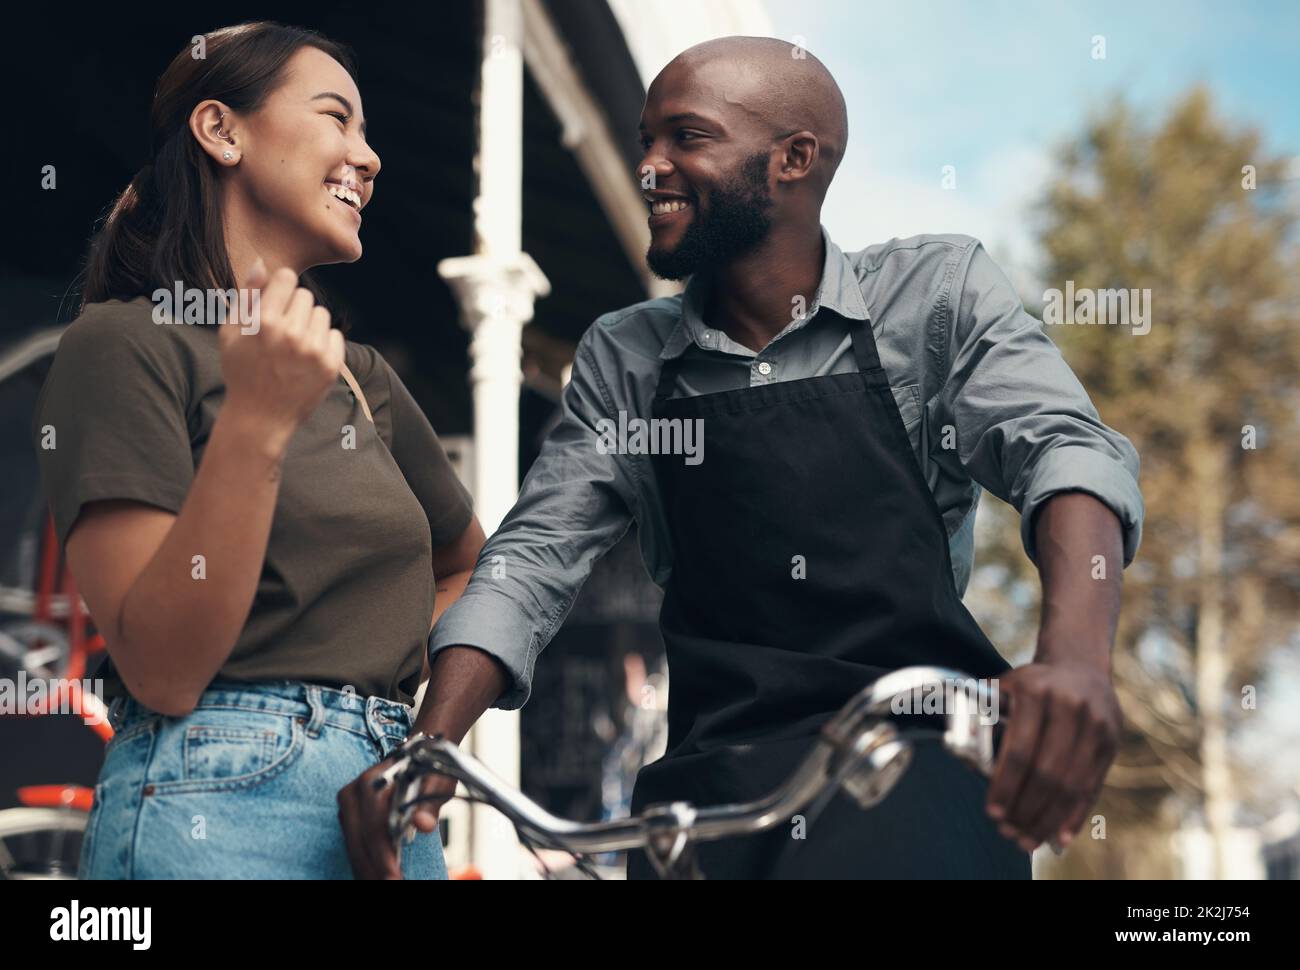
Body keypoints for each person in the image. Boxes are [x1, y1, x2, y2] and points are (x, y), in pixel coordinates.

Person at [341, 36, 1142, 879]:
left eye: (686, 138)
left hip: (913, 762)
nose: (649, 166)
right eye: (646, 138)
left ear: (794, 159)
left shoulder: (934, 296)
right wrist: (429, 747)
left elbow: (1065, 454)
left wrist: (1076, 665)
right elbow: (535, 557)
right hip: (708, 790)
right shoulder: (627, 355)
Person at [35, 21, 485, 879]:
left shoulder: (362, 378)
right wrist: (258, 421)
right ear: (222, 130)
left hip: (389, 800)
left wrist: (397, 722)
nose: (370, 154)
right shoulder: (123, 346)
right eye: (336, 117)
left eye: (366, 129)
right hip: (215, 797)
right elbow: (162, 671)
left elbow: (468, 561)